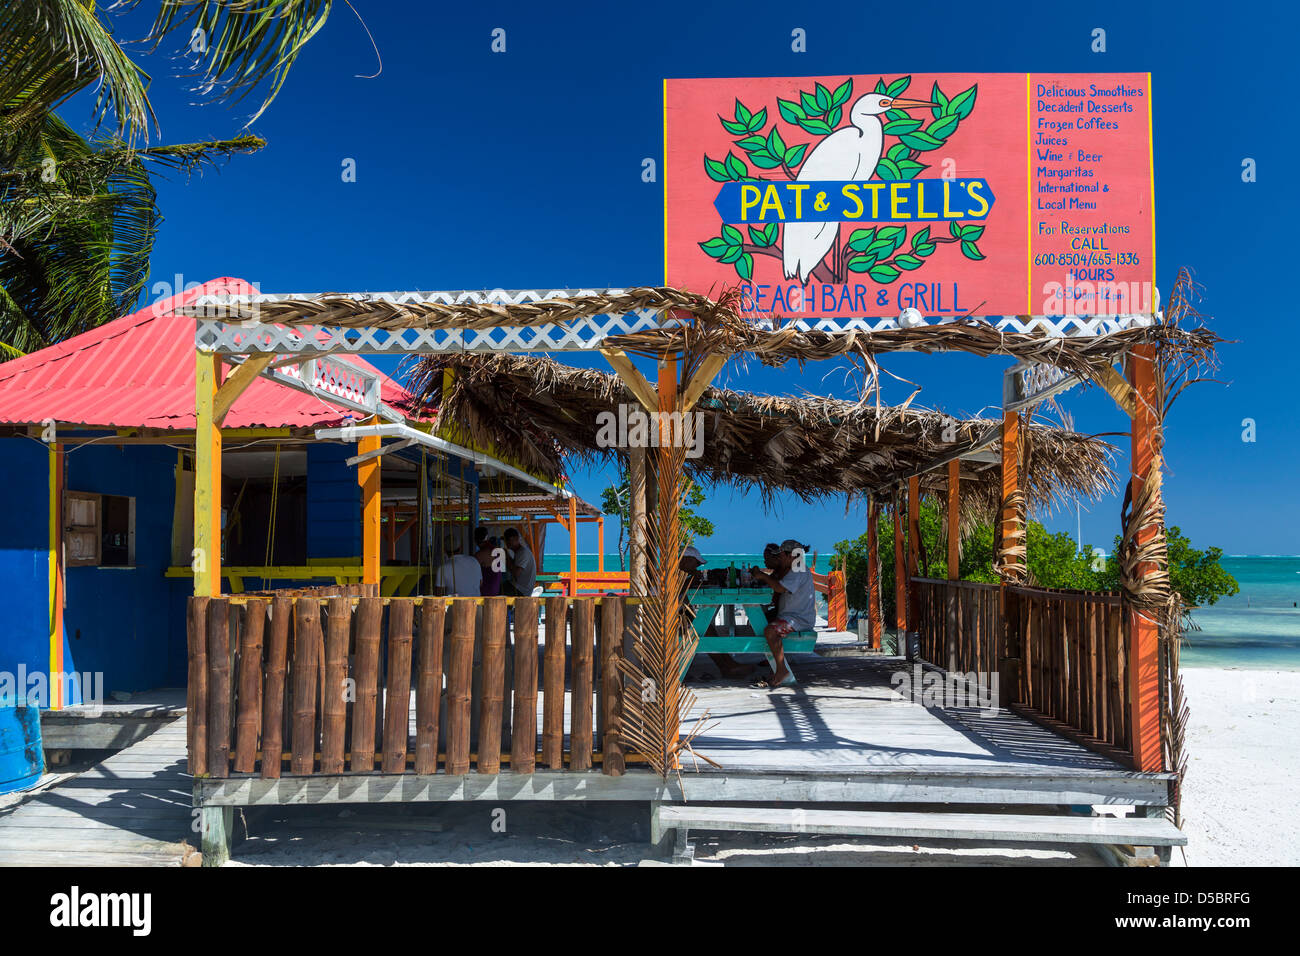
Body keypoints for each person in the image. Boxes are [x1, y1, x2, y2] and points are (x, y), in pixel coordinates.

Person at [749, 538, 816, 688]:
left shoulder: (798, 569)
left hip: (799, 619)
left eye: (781, 556)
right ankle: (776, 663)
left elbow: (780, 588)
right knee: (759, 622)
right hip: (791, 616)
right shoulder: (795, 568)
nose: (779, 559)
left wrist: (763, 576)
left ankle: (781, 670)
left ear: (790, 555)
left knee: (771, 631)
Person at [680, 546, 753, 679]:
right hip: (669, 622)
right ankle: (728, 666)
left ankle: (729, 665)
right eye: (696, 563)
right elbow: (674, 594)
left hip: (679, 618)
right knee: (703, 629)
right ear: (686, 559)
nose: (697, 567)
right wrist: (691, 580)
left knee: (705, 626)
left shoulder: (678, 575)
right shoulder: (671, 575)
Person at [502, 527, 537, 597]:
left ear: (517, 539)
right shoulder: (519, 553)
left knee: (497, 590)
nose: (507, 542)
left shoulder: (523, 553)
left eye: (509, 540)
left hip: (522, 590)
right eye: (506, 540)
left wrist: (506, 557)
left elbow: (516, 573)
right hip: (520, 588)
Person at [474, 526, 502, 597]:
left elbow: (470, 573)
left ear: (475, 539)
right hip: (495, 589)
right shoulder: (497, 550)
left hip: (485, 592)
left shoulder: (481, 554)